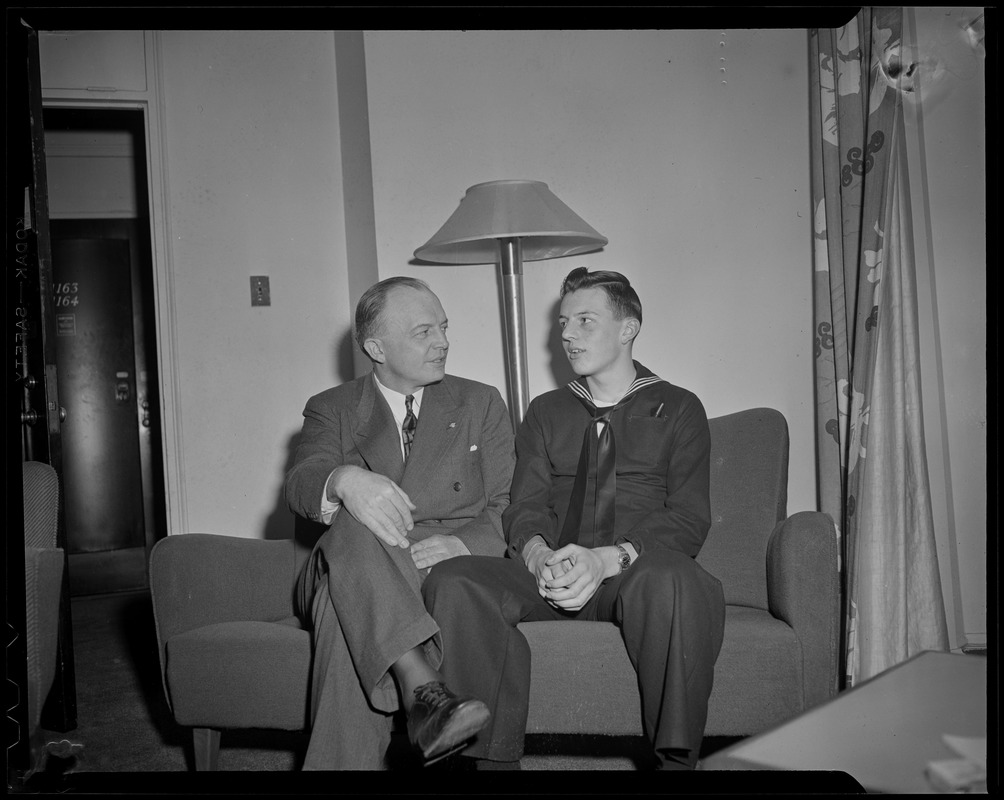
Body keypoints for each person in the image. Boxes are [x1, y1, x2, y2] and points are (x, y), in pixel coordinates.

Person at [423, 267, 726, 770]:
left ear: (628, 328)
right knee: (454, 578)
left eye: (585, 320)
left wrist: (607, 559)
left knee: (674, 577)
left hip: (633, 574)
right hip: (551, 575)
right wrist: (538, 554)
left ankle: (674, 766)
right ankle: (490, 764)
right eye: (564, 323)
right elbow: (525, 504)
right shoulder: (546, 411)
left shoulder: (678, 407)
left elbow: (689, 517)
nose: (567, 334)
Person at [285, 276, 515, 770]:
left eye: (444, 327)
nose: (443, 342)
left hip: (437, 563)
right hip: (349, 560)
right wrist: (345, 480)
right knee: (356, 521)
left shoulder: (480, 402)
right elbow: (302, 482)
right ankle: (421, 687)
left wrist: (462, 544)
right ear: (376, 348)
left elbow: (509, 503)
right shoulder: (332, 407)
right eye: (423, 332)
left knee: (342, 606)